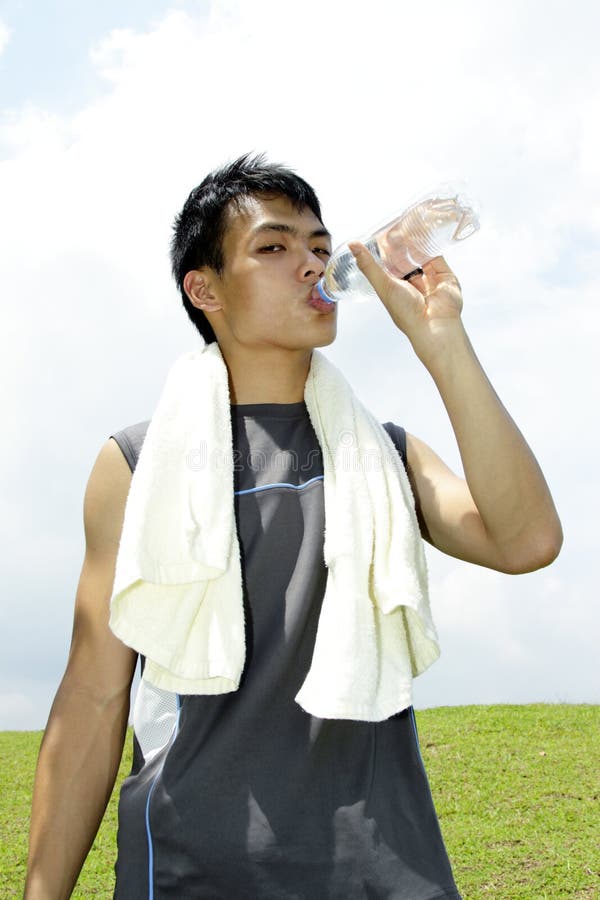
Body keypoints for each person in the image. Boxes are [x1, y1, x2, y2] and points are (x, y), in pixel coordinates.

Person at [23, 154, 562, 900]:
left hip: (385, 870)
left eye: (318, 244)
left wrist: (443, 345)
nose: (311, 263)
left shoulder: (385, 456)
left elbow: (527, 541)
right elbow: (93, 696)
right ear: (205, 289)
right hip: (193, 869)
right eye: (273, 248)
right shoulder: (139, 464)